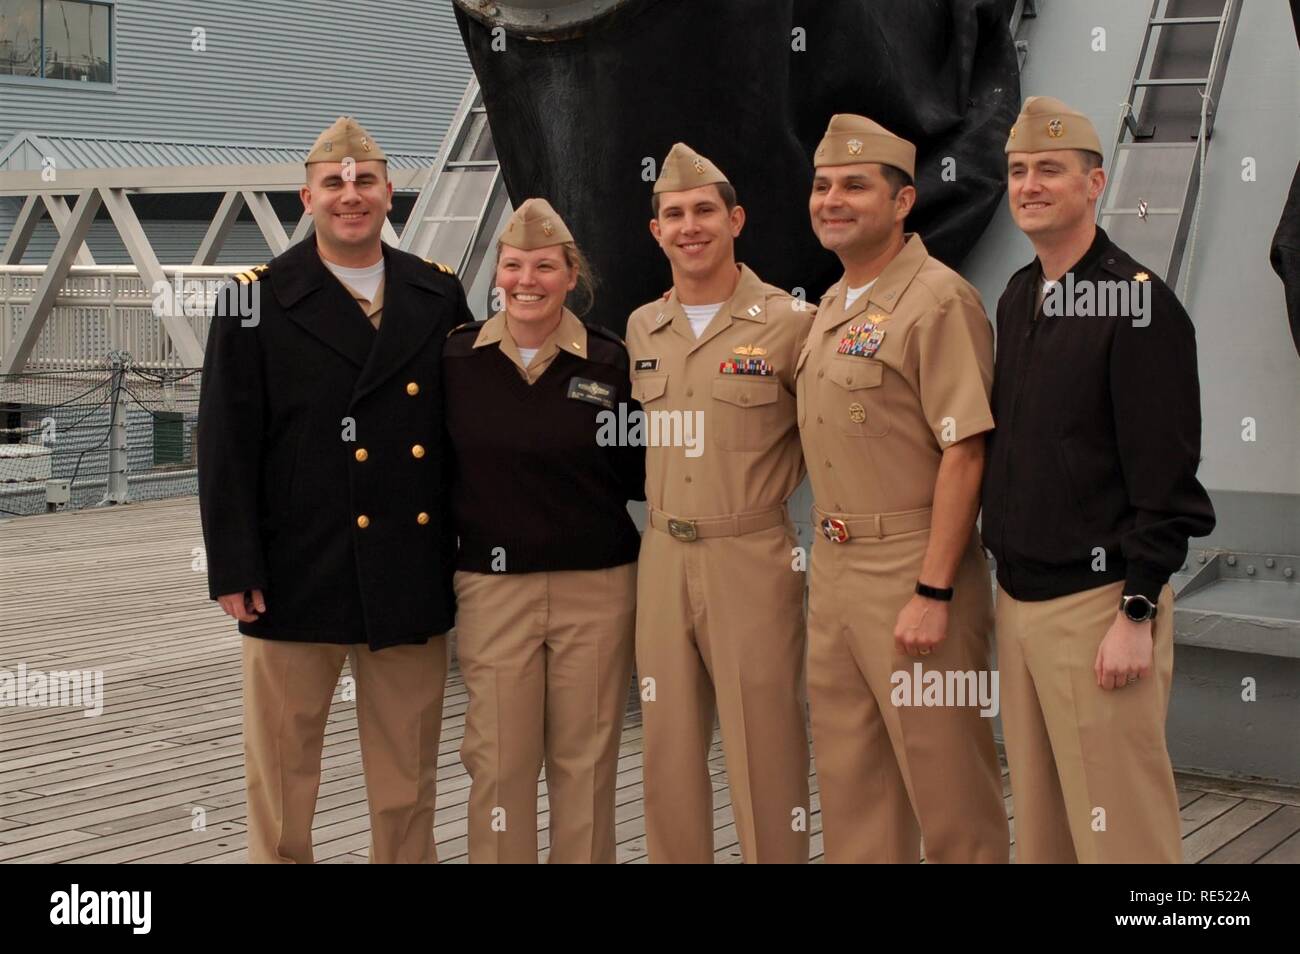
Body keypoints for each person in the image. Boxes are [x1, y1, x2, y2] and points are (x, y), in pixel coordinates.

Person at [197, 116, 467, 863]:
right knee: (283, 783)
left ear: (389, 193)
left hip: (407, 570)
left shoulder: (436, 294)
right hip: (292, 574)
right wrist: (233, 566)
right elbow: (224, 444)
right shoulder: (255, 298)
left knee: (406, 786)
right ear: (307, 198)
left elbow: (461, 438)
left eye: (366, 181)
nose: (352, 196)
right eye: (334, 184)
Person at [982, 96, 1216, 863]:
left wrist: (1136, 612)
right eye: (1018, 171)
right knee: (1046, 829)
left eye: (1050, 169)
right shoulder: (1020, 297)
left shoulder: (1139, 306)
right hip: (1018, 602)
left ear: (1095, 182)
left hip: (1098, 610)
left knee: (1125, 834)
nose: (1030, 184)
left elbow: (1169, 485)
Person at [796, 113, 1009, 863]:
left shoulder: (938, 301)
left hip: (914, 569)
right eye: (823, 186)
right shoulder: (830, 306)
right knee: (856, 785)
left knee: (947, 784)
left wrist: (935, 590)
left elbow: (966, 452)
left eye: (856, 185)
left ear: (903, 201)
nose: (832, 200)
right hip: (835, 570)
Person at [624, 143, 814, 864]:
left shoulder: (792, 322)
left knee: (765, 742)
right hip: (663, 555)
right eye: (673, 214)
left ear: (735, 219)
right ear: (656, 232)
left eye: (704, 210)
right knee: (667, 748)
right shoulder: (645, 326)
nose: (689, 225)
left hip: (752, 554)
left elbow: (826, 434)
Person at [442, 198, 644, 863]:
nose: (526, 280)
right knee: (498, 763)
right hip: (493, 591)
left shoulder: (612, 364)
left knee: (585, 766)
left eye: (544, 267)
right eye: (514, 266)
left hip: (598, 589)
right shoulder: (456, 361)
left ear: (569, 274)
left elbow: (641, 471)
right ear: (498, 273)